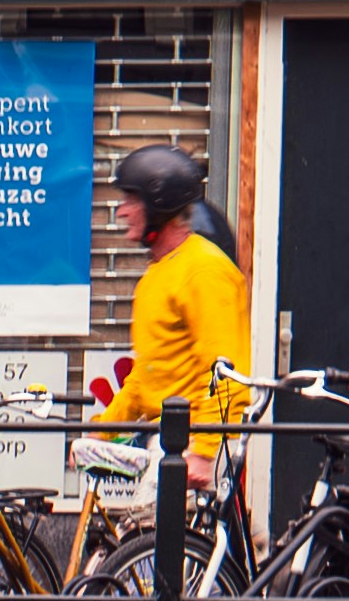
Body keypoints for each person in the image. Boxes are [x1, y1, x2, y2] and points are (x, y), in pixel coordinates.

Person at [92, 142, 249, 474]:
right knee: (132, 528)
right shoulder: (157, 275)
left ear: (158, 205)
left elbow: (227, 374)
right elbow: (145, 378)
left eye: (131, 200)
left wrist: (204, 453)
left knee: (143, 528)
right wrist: (99, 431)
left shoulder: (204, 271)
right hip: (167, 438)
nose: (121, 211)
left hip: (193, 443)